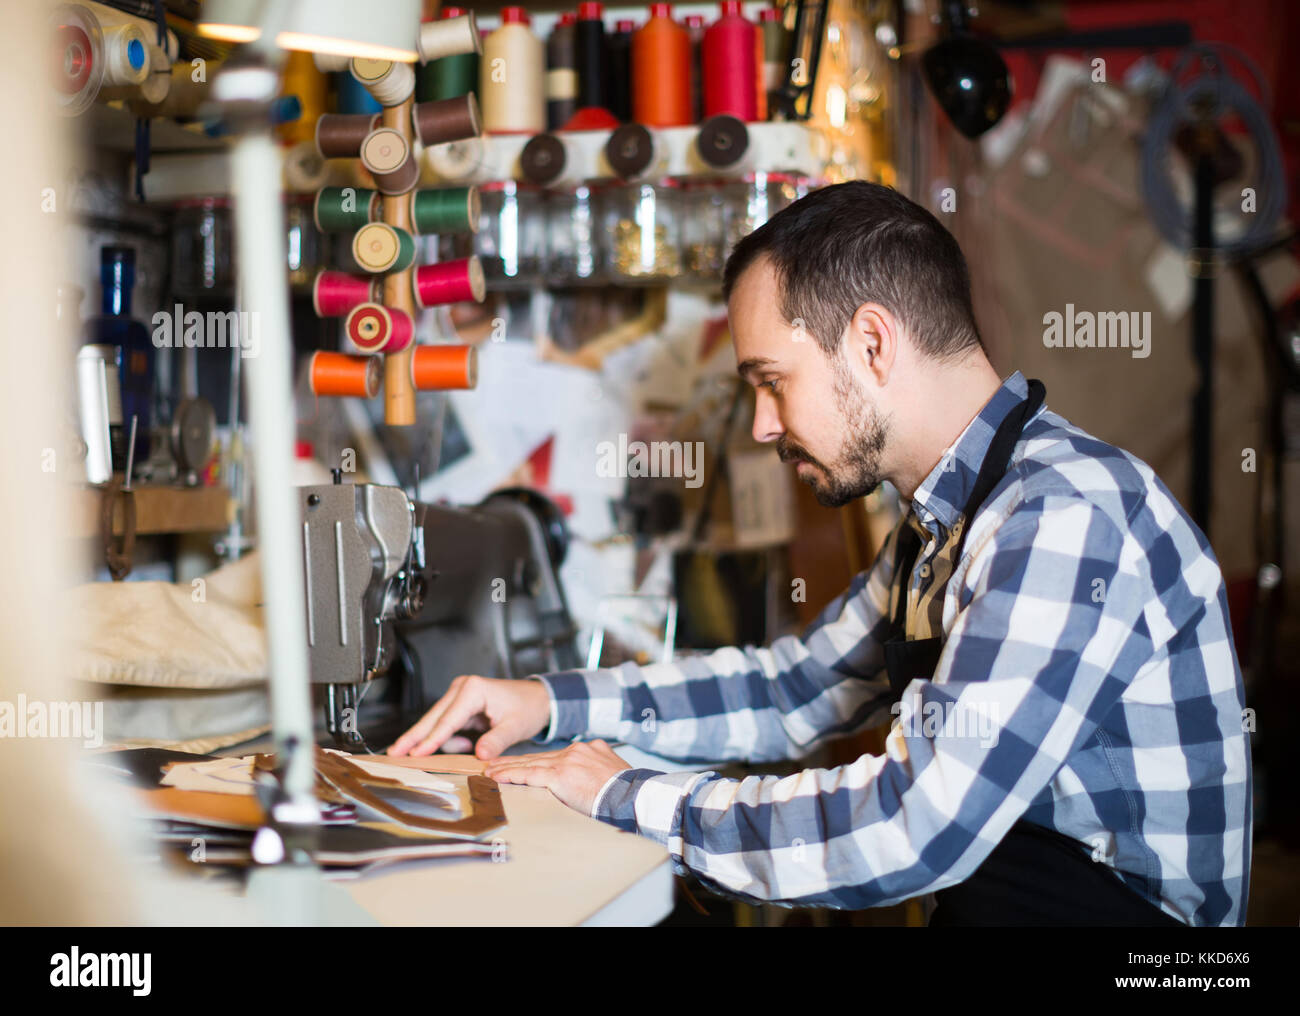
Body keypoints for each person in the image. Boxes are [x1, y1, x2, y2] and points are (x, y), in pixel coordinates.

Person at [390, 181, 1251, 927]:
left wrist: (628, 795)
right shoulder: (947, 519)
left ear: (872, 344)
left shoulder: (1064, 517)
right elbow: (794, 689)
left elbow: (915, 826)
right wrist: (548, 702)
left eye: (772, 381)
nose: (764, 425)